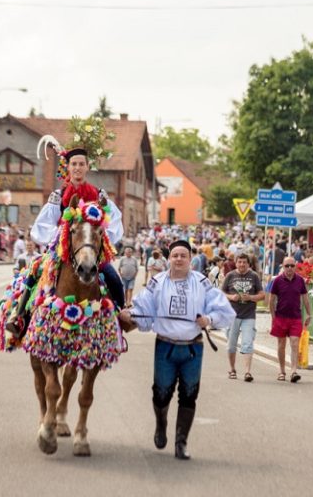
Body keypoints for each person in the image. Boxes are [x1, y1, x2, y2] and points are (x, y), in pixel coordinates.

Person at [120, 240, 235, 460]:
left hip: (193, 347)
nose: (179, 259)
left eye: (183, 255)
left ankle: (181, 442)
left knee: (189, 395)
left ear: (190, 259)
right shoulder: (157, 282)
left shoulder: (202, 282)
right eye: (175, 255)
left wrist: (208, 319)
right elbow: (144, 308)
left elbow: (224, 310)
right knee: (161, 393)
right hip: (165, 345)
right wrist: (131, 315)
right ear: (168, 258)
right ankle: (161, 424)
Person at [30, 144, 126, 310]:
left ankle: (121, 313)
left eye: (82, 164)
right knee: (34, 273)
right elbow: (43, 226)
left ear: (88, 167)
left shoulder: (99, 195)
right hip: (61, 251)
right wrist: (62, 235)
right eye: (74, 164)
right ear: (67, 167)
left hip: (92, 250)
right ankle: (19, 317)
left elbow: (114, 222)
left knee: (113, 278)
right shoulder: (58, 196)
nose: (77, 168)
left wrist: (98, 238)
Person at [268, 256, 311, 383]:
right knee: (281, 345)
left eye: (292, 266)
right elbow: (271, 300)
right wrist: (273, 317)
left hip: (296, 317)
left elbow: (305, 298)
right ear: (283, 266)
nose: (289, 268)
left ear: (295, 266)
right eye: (287, 266)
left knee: (294, 343)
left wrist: (309, 314)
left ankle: (293, 371)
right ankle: (282, 371)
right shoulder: (277, 281)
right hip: (280, 317)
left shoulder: (300, 280)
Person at [222, 253, 264, 383]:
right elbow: (221, 293)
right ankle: (232, 369)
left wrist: (251, 297)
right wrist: (231, 297)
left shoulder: (254, 276)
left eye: (244, 262)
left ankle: (247, 372)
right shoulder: (230, 276)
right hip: (232, 315)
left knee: (247, 343)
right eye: (239, 262)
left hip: (249, 315)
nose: (241, 264)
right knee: (231, 345)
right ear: (236, 263)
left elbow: (262, 294)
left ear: (248, 264)